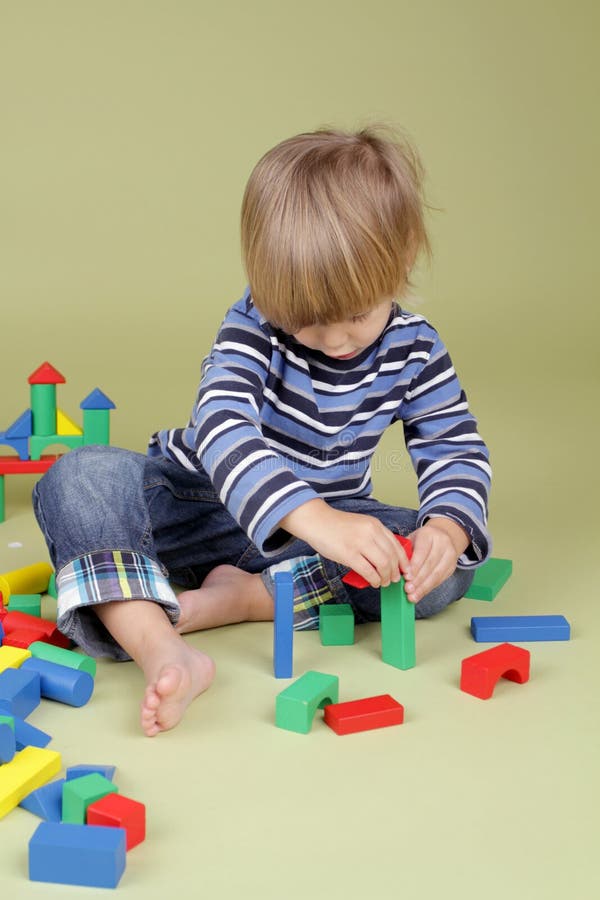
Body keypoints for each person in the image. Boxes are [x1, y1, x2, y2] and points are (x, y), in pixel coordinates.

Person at [33, 126, 491, 737]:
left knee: (438, 569)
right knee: (80, 477)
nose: (333, 338)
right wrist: (313, 517)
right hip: (198, 504)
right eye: (307, 318)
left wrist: (446, 529)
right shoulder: (254, 323)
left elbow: (453, 444)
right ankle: (162, 648)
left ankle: (249, 598)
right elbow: (221, 426)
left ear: (401, 263)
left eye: (356, 315)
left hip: (319, 530)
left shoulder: (417, 348)